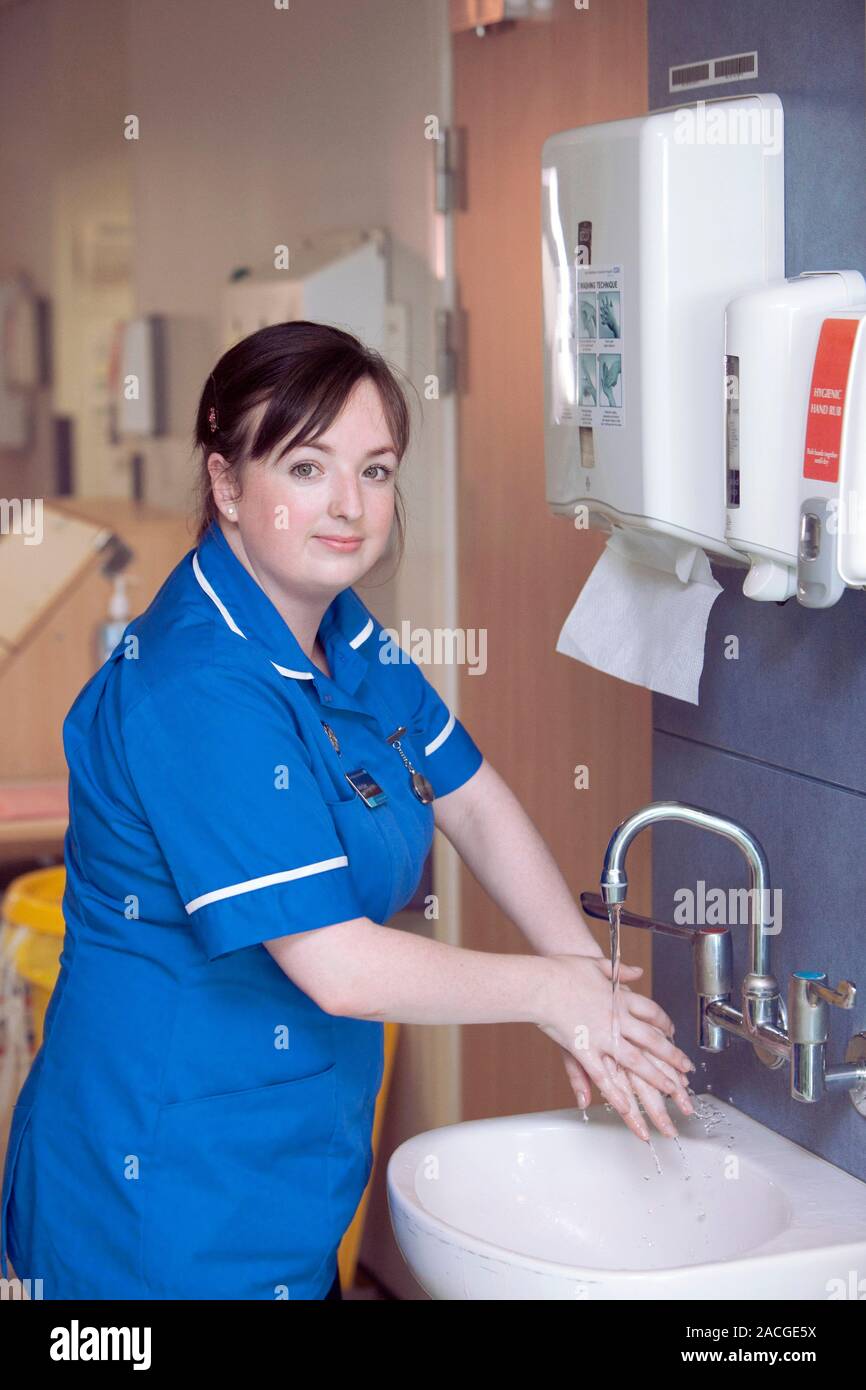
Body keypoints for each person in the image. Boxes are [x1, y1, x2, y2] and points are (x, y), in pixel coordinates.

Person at [0, 321, 695, 1301]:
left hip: (286, 1172)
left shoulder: (339, 629)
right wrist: (550, 994)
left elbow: (476, 803)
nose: (347, 507)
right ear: (228, 484)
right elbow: (332, 962)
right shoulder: (196, 685)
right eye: (306, 466)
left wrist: (592, 996)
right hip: (157, 1196)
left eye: (374, 472)